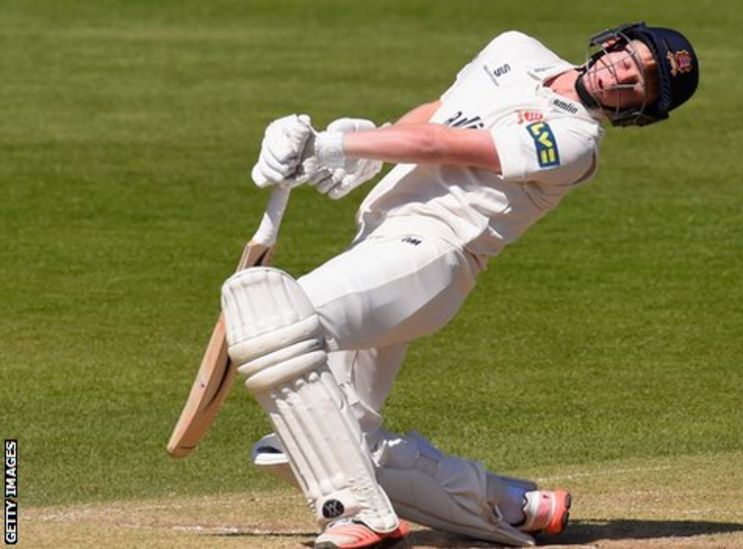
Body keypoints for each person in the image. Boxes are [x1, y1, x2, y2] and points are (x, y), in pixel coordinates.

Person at [224, 21, 699, 549]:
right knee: (316, 442)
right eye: (635, 58)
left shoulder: (575, 143)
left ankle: (359, 514)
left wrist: (330, 144)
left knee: (281, 316)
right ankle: (515, 506)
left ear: (640, 109)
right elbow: (438, 113)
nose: (631, 75)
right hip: (376, 245)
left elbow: (441, 144)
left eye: (646, 84)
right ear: (613, 45)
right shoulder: (514, 48)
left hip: (431, 257)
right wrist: (368, 148)